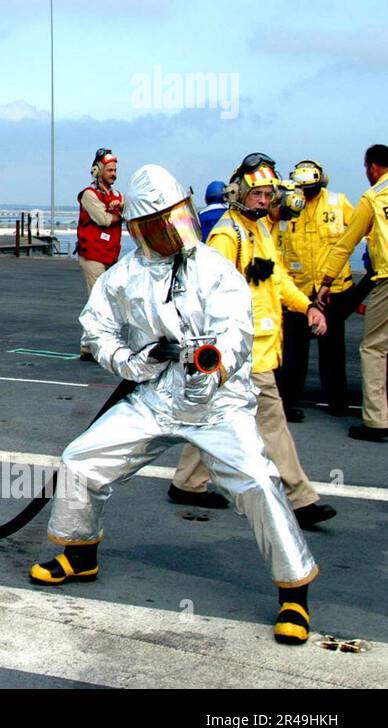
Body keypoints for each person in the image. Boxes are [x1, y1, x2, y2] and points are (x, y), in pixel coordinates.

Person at [30, 164, 319, 646]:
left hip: (220, 407)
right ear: (142, 231)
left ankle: (294, 592)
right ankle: (80, 554)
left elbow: (237, 332)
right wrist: (134, 361)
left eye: (179, 219)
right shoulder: (123, 277)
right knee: (81, 459)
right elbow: (97, 330)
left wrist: (213, 367)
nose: (175, 232)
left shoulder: (215, 268)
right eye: (163, 225)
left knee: (259, 483)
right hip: (156, 400)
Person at [170, 154, 335, 529]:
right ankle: (301, 497)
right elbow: (208, 291)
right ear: (239, 193)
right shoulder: (228, 235)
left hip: (251, 348)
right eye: (258, 194)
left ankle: (186, 482)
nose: (264, 200)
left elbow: (277, 282)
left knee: (210, 415)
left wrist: (307, 305)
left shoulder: (259, 232)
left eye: (267, 194)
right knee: (272, 422)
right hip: (243, 352)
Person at [274, 160, 357, 421]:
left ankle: (337, 401)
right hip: (298, 288)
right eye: (302, 188)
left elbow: (357, 233)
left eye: (310, 188)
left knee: (333, 347)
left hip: (333, 288)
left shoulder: (338, 202)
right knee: (294, 350)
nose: (306, 193)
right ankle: (288, 401)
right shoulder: (287, 208)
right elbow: (275, 245)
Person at [316, 143, 388, 442]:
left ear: (372, 167)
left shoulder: (373, 197)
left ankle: (376, 421)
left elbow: (346, 244)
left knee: (373, 348)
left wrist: (325, 283)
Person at [76, 149, 124, 355]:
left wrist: (118, 209)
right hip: (92, 256)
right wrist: (120, 213)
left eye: (115, 170)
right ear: (97, 170)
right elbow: (103, 219)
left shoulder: (117, 196)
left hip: (110, 256)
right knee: (97, 301)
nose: (113, 174)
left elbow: (121, 212)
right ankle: (89, 345)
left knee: (109, 301)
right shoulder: (89, 194)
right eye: (110, 170)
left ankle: (92, 344)